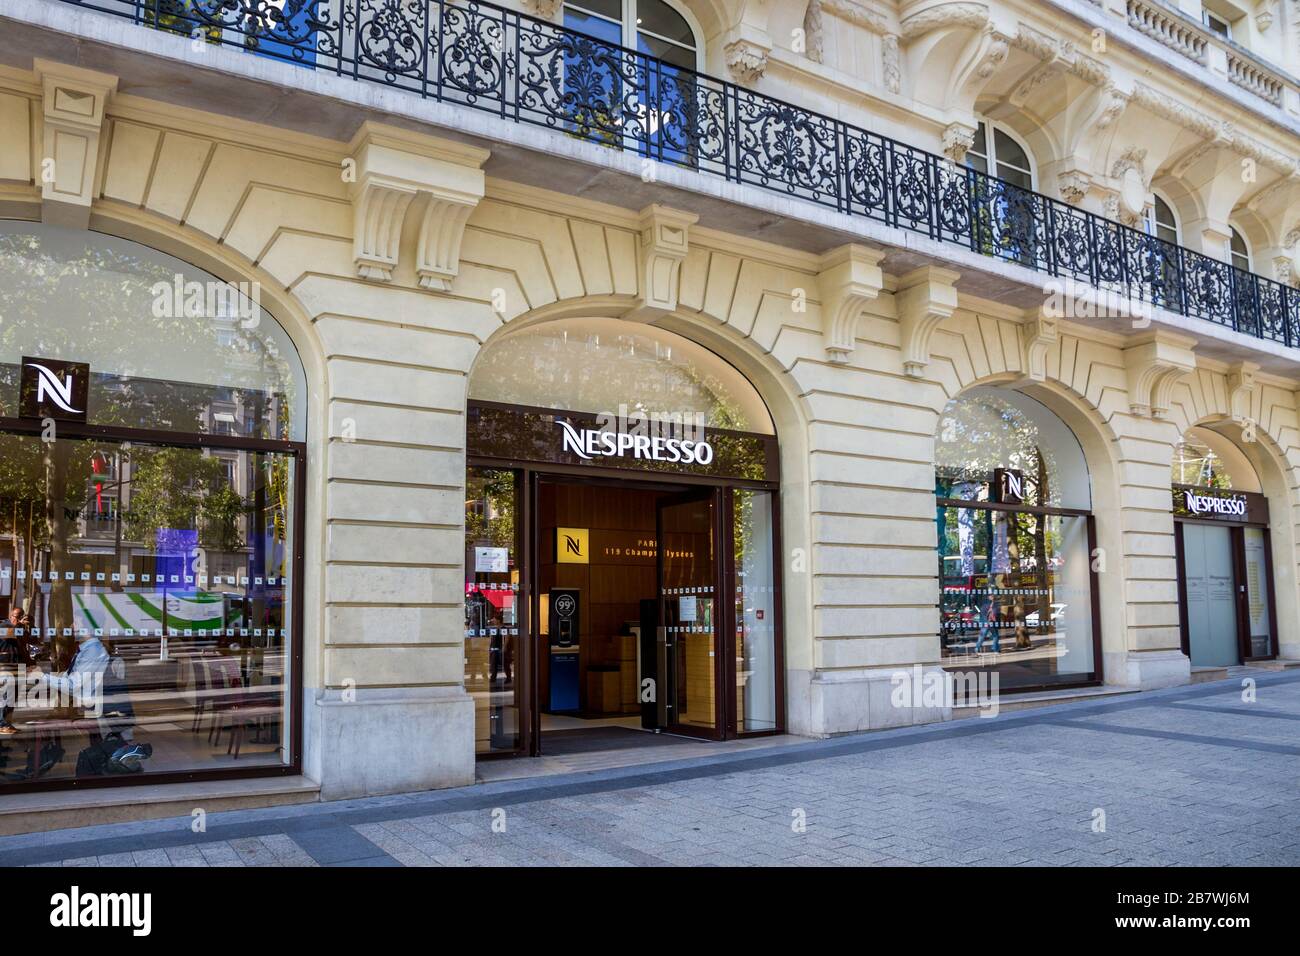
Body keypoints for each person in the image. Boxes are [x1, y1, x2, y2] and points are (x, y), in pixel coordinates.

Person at [0, 607, 31, 735]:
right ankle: (2, 724)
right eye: (15, 616)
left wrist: (30, 627)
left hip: (18, 666)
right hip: (6, 666)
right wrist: (18, 624)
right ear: (11, 615)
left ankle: (7, 723)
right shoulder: (4, 625)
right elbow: (8, 636)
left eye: (20, 616)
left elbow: (29, 641)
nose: (17, 619)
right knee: (7, 695)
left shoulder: (20, 628)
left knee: (13, 696)